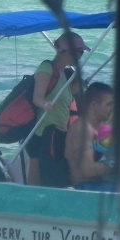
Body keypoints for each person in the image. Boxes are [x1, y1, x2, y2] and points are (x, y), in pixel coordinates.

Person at [26, 31, 86, 187]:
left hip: (56, 131)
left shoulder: (65, 74)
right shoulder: (47, 68)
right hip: (40, 131)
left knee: (52, 173)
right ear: (65, 51)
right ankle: (32, 201)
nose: (80, 55)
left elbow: (63, 98)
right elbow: (37, 97)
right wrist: (45, 104)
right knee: (37, 169)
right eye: (78, 51)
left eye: (81, 52)